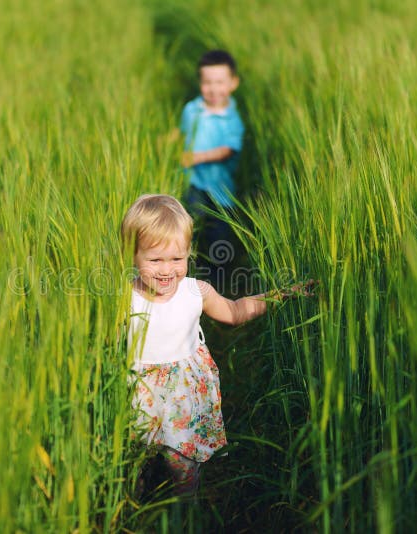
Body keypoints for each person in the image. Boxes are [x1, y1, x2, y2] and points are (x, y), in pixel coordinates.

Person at [121, 194, 316, 497]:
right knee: (135, 459)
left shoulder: (195, 292)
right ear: (132, 255)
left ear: (189, 253)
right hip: (138, 391)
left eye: (177, 259)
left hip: (180, 393)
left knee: (180, 461)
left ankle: (186, 512)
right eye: (155, 259)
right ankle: (135, 508)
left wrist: (281, 295)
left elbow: (235, 311)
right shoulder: (122, 300)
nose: (166, 270)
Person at [178, 50, 245, 280]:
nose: (213, 89)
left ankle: (219, 281)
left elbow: (228, 150)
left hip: (221, 188)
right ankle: (188, 271)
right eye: (207, 82)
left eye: (219, 82)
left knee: (219, 232)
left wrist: (197, 157)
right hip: (194, 181)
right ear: (200, 82)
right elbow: (182, 132)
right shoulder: (192, 109)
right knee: (191, 226)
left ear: (233, 83)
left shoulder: (232, 119)